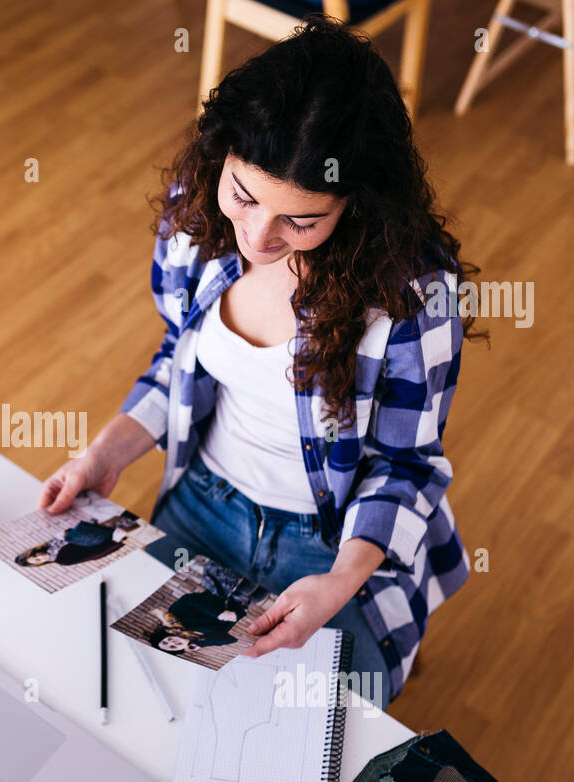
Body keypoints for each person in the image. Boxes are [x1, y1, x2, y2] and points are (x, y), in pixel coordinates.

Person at [37, 16, 486, 710]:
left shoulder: (410, 296)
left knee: (325, 735)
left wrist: (339, 582)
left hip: (333, 542)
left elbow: (406, 465)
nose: (257, 234)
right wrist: (108, 451)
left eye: (300, 221)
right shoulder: (195, 215)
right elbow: (178, 359)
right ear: (223, 154)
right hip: (202, 506)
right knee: (124, 694)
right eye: (244, 196)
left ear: (356, 205)